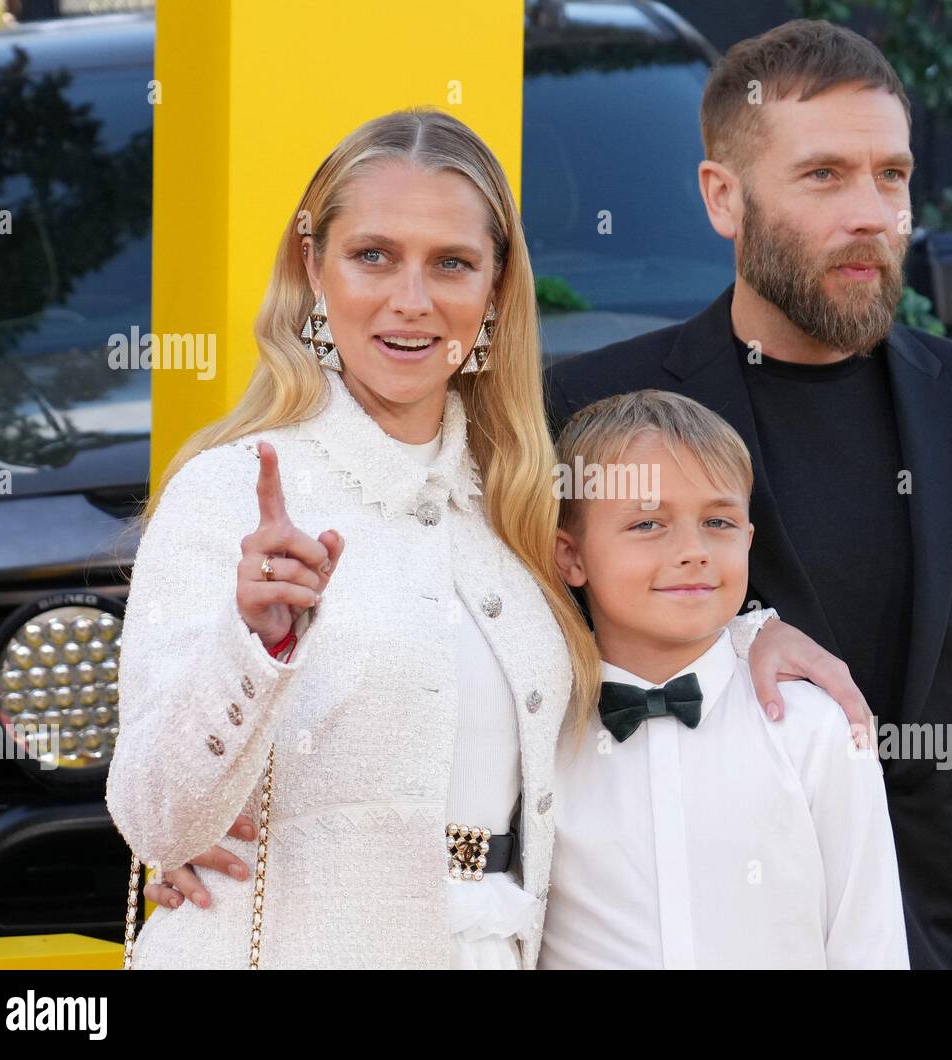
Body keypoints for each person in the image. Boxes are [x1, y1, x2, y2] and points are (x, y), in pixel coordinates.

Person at [108, 108, 834, 969]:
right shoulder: (229, 489)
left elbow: (645, 598)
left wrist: (751, 631)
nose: (410, 301)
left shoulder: (522, 496)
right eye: (372, 255)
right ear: (314, 266)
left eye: (451, 263)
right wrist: (253, 645)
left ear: (495, 288)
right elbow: (156, 819)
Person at [544, 19, 952, 969]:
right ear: (723, 197)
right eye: (824, 175)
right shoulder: (588, 406)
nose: (871, 213)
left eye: (892, 176)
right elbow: (519, 699)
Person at [538, 390, 909, 969]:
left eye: (718, 521)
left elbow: (870, 941)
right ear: (571, 555)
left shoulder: (812, 730)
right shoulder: (538, 734)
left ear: (749, 539)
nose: (692, 551)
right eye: (646, 523)